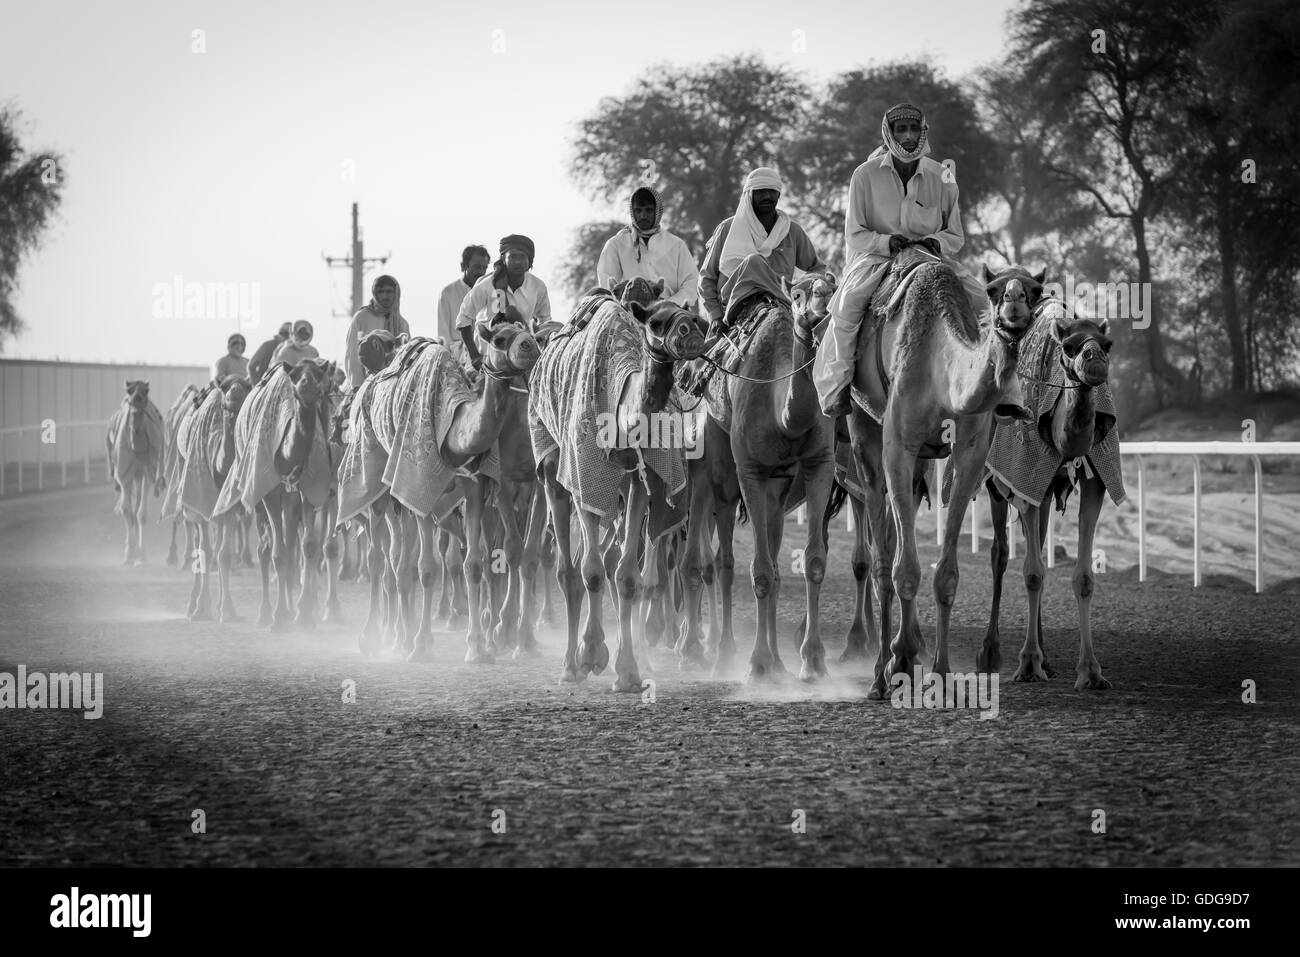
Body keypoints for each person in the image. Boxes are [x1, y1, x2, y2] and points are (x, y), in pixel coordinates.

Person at [813, 102, 988, 417]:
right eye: (900, 129)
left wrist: (937, 242)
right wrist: (885, 241)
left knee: (984, 302)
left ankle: (1001, 389)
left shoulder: (942, 176)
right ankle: (838, 387)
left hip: (930, 258)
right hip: (877, 261)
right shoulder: (864, 175)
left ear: (923, 132)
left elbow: (956, 235)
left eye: (913, 129)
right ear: (888, 133)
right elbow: (855, 234)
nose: (908, 136)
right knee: (846, 308)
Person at [698, 167, 830, 335]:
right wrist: (715, 316)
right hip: (733, 314)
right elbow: (706, 278)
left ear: (779, 195)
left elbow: (817, 268)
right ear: (749, 195)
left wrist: (804, 289)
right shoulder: (728, 228)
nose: (767, 196)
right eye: (760, 191)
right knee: (754, 261)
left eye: (772, 191)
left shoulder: (791, 230)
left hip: (784, 310)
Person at [457, 234, 551, 371]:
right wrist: (474, 355)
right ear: (503, 258)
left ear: (530, 260)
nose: (518, 262)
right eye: (513, 256)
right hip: (486, 361)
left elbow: (545, 321)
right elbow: (463, 319)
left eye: (522, 257)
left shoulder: (538, 286)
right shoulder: (486, 286)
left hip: (523, 358)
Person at [597, 186, 700, 308]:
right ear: (632, 211)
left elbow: (691, 284)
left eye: (648, 210)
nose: (643, 216)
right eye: (638, 210)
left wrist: (669, 305)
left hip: (670, 314)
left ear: (658, 211)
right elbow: (607, 287)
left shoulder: (676, 245)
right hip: (628, 316)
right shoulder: (616, 245)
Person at [343, 275, 410, 391]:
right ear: (375, 294)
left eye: (389, 292)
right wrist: (357, 386)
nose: (385, 296)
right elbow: (352, 353)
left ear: (396, 293)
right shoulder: (362, 318)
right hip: (365, 384)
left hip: (394, 385)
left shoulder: (402, 324)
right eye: (380, 292)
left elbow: (407, 355)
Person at [437, 245, 491, 360]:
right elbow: (443, 334)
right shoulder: (448, 292)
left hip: (486, 355)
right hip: (456, 357)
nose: (481, 272)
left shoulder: (491, 292)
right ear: (464, 266)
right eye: (477, 267)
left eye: (484, 268)